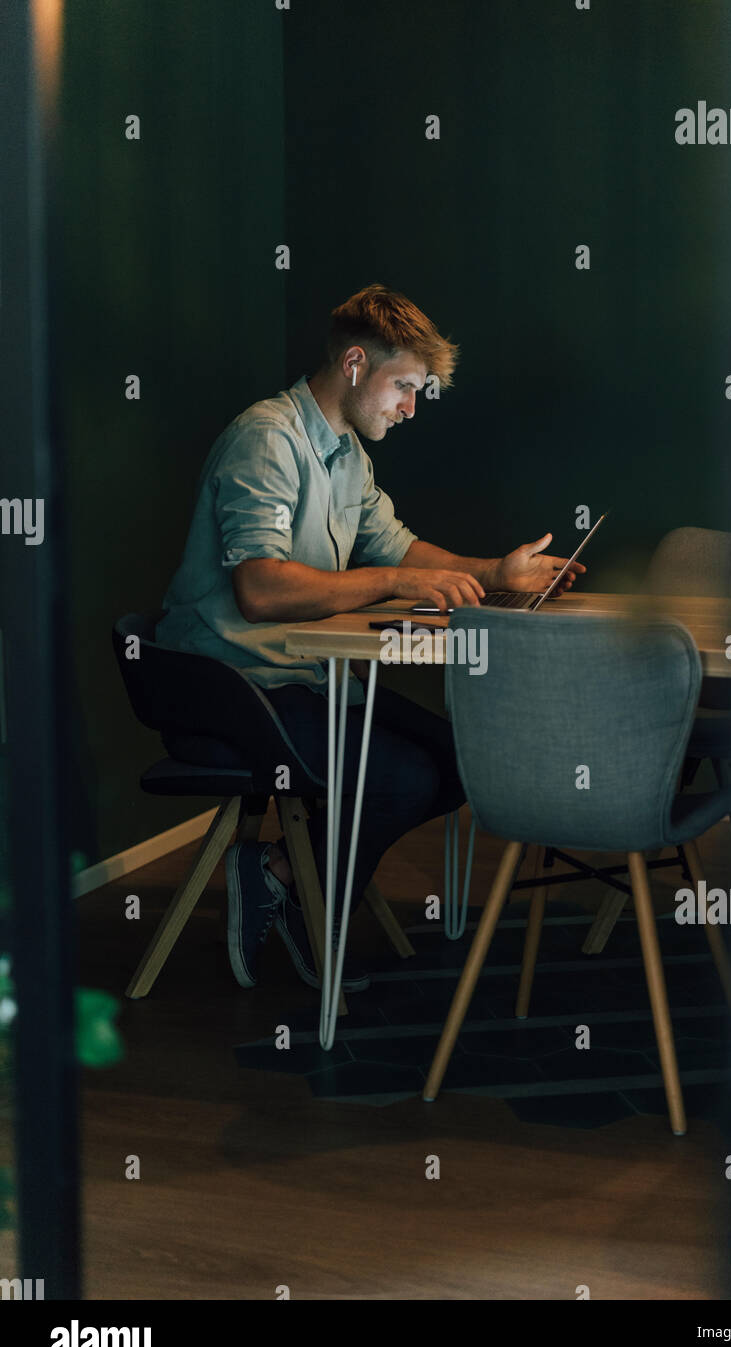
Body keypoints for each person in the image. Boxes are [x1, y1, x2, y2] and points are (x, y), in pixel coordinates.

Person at [157, 283, 583, 992]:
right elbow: (260, 591)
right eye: (404, 387)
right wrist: (390, 586)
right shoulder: (267, 439)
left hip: (298, 675)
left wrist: (496, 570)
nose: (411, 408)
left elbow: (397, 548)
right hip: (224, 680)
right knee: (401, 776)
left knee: (453, 759)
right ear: (355, 364)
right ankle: (304, 906)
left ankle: (283, 876)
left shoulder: (348, 455)